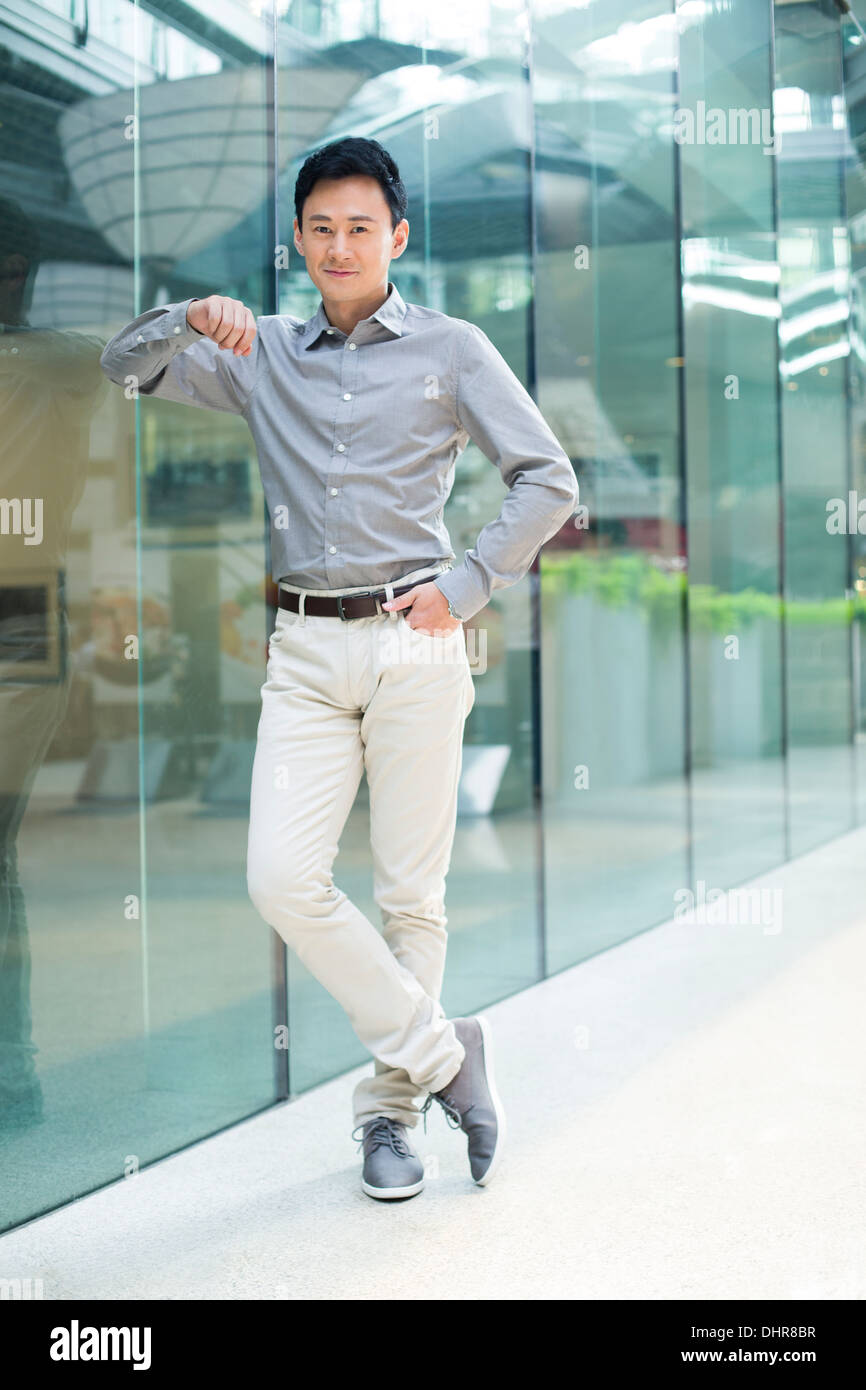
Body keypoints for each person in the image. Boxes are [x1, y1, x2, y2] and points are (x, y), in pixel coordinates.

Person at [99, 136, 579, 1200]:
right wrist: (187, 317)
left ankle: (390, 1112)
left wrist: (461, 587)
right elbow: (121, 368)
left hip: (415, 641)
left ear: (395, 237)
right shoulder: (259, 349)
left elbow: (546, 479)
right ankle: (450, 1055)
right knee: (280, 875)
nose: (338, 245)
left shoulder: (451, 348)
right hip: (304, 650)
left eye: (359, 226)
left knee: (411, 896)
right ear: (298, 241)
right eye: (319, 228)